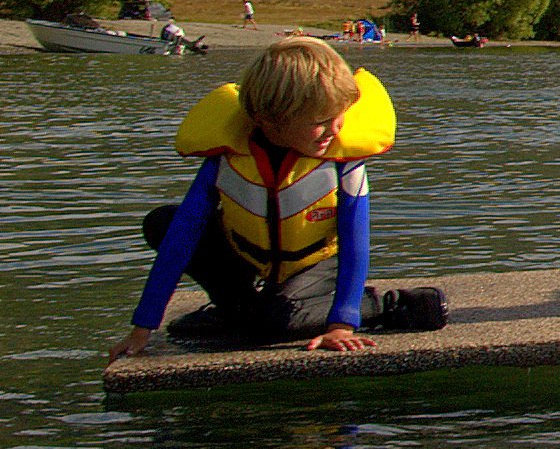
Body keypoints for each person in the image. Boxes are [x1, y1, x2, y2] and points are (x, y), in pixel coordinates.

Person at [106, 36, 441, 364]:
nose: (335, 131)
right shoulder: (226, 157)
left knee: (281, 320)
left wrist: (342, 324)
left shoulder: (342, 163)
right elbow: (181, 239)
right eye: (319, 122)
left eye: (338, 116)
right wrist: (143, 327)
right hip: (247, 255)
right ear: (271, 121)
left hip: (316, 261)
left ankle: (392, 305)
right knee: (162, 223)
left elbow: (356, 242)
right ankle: (233, 309)